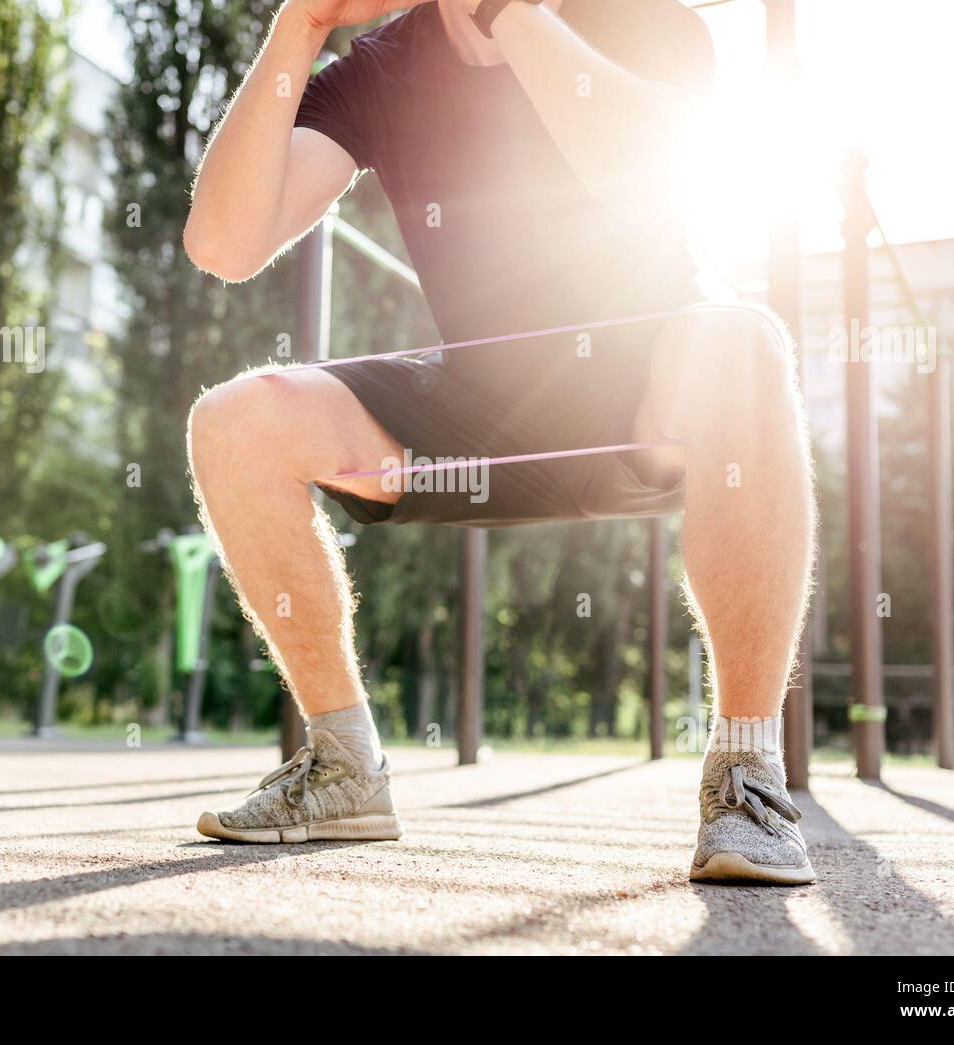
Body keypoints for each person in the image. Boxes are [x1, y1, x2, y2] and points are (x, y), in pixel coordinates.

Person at [184, 0, 816, 884]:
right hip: (481, 409)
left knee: (745, 342)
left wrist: (504, 11)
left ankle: (746, 773)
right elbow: (221, 242)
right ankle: (343, 765)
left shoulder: (644, 21)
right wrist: (301, 24)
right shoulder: (382, 69)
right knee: (234, 422)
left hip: (650, 389)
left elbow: (632, 173)